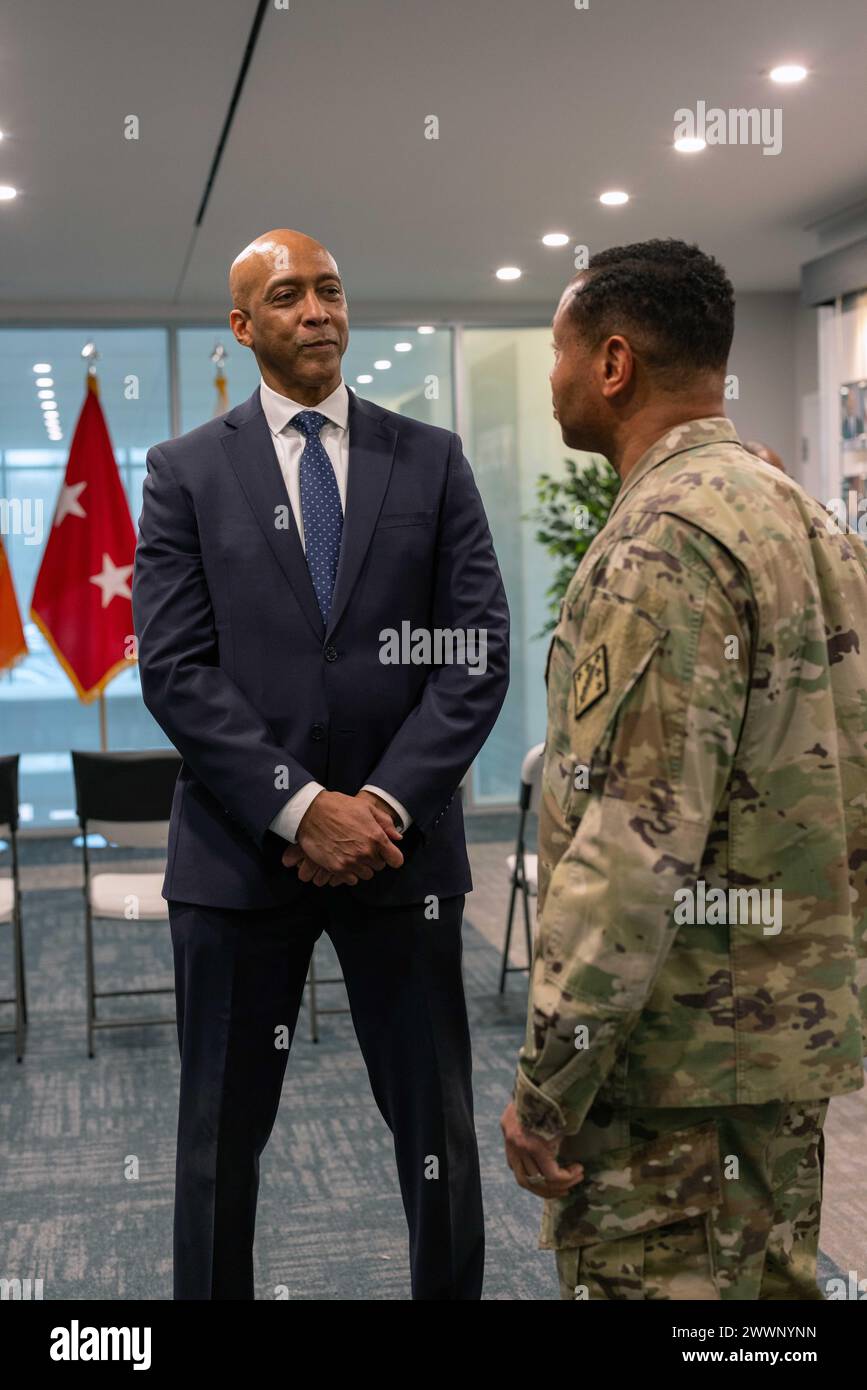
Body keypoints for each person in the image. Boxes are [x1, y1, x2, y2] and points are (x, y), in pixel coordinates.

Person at [132, 228, 510, 1300]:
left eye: (331, 290)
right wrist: (301, 808)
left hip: (401, 853)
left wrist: (379, 806)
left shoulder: (430, 458)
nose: (317, 311)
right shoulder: (185, 472)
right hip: (239, 857)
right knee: (218, 1143)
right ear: (242, 326)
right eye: (288, 295)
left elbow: (473, 651)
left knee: (437, 1133)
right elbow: (175, 669)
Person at [500, 238, 867, 1301]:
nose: (553, 378)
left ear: (613, 364)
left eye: (559, 352)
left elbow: (629, 851)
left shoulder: (661, 545)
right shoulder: (805, 520)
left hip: (675, 1070)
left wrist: (551, 1080)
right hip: (783, 1041)